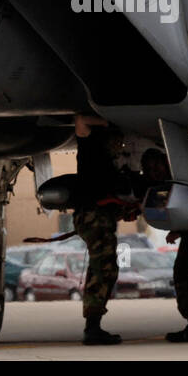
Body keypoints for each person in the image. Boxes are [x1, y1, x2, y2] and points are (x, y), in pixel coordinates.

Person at [70, 117, 127, 346]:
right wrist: (105, 121)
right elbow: (80, 121)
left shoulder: (111, 166)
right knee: (102, 269)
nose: (119, 147)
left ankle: (94, 324)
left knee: (106, 268)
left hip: (101, 218)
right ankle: (92, 327)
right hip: (93, 216)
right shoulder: (90, 147)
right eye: (116, 142)